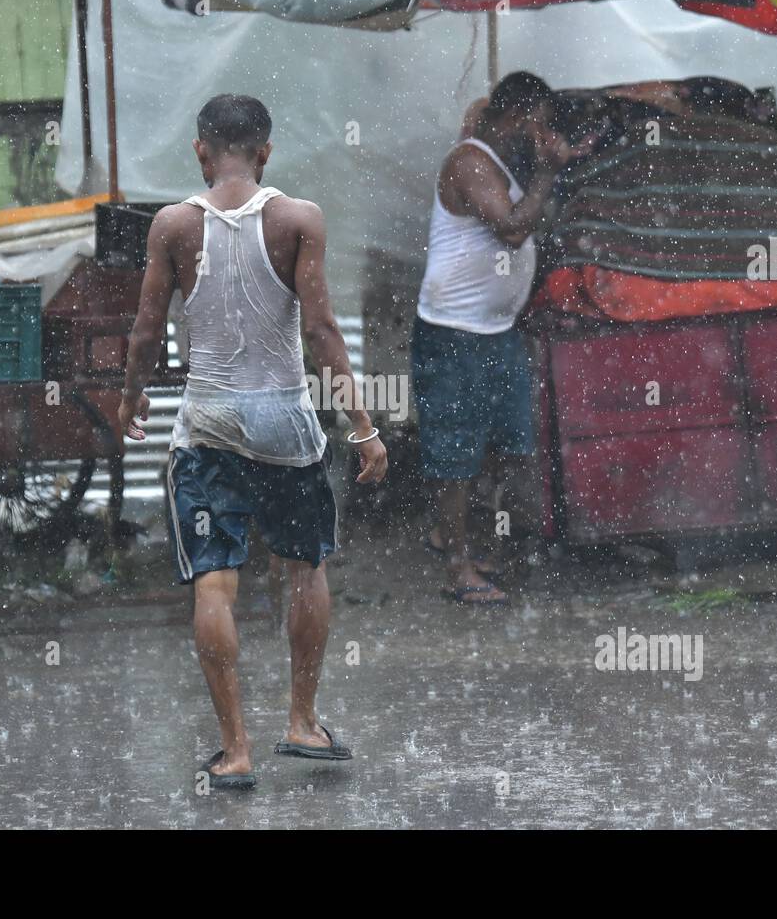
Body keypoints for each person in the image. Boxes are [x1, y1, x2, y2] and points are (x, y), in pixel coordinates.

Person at [118, 94, 388, 790]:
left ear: (201, 153)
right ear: (266, 152)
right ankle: (302, 721)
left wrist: (130, 394)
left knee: (215, 580)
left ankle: (234, 750)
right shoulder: (299, 220)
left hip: (207, 422)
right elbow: (323, 332)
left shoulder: (172, 225)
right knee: (304, 567)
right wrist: (363, 427)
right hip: (284, 423)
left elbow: (147, 330)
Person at [414, 71, 595, 605]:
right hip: (454, 333)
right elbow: (513, 228)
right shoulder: (470, 163)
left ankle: (468, 543)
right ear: (515, 117)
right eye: (537, 124)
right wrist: (545, 172)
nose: (540, 135)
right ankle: (457, 566)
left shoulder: (497, 160)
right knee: (455, 455)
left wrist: (556, 166)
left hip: (495, 332)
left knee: (510, 446)